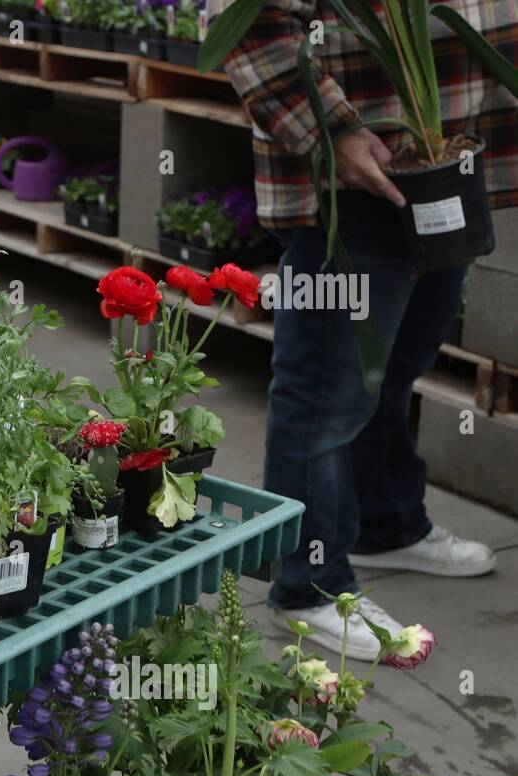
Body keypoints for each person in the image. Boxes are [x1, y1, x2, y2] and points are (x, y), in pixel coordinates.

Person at [211, 0, 514, 659]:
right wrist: (333, 133)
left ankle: (387, 523)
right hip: (352, 173)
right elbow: (249, 21)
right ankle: (307, 584)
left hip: (447, 159)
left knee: (398, 362)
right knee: (326, 390)